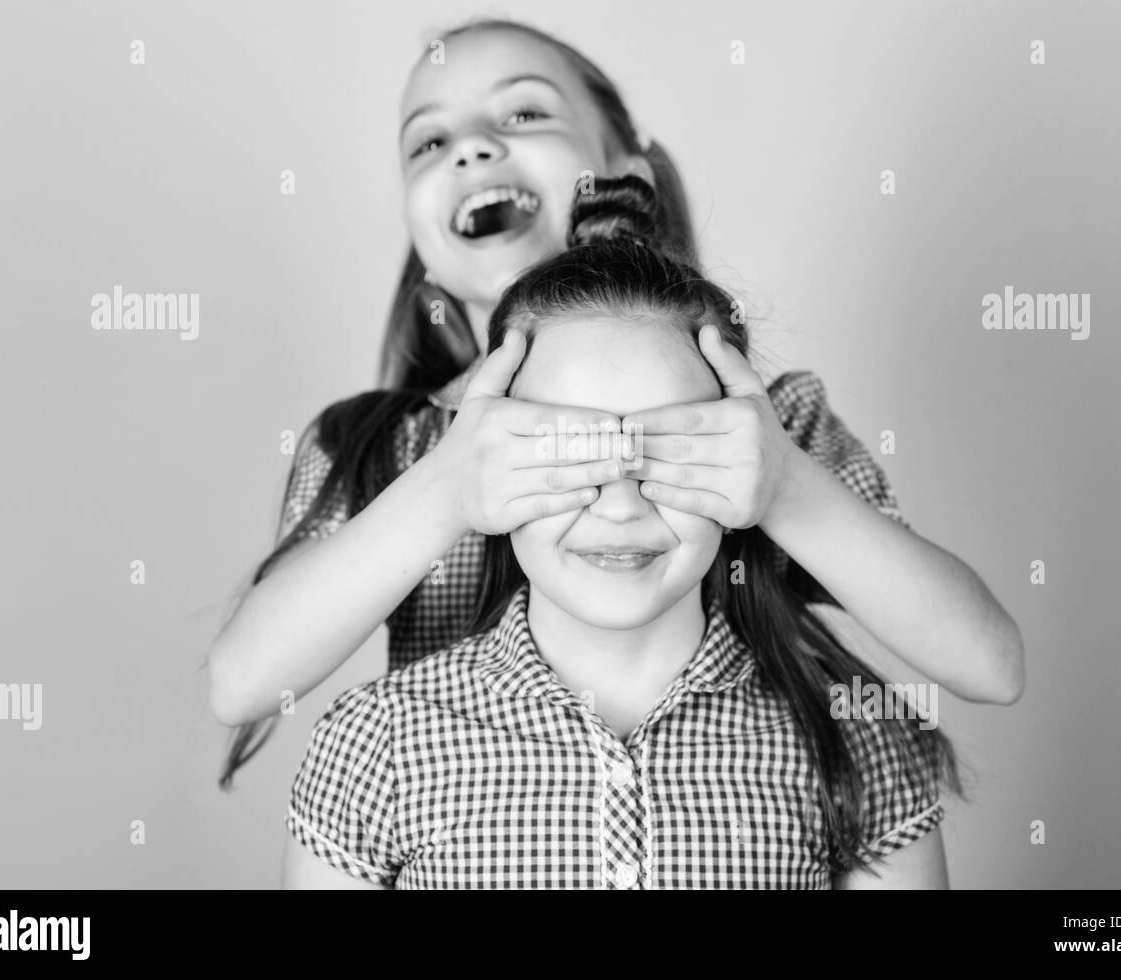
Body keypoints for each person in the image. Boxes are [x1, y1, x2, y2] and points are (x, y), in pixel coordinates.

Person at [209, 19, 1023, 789]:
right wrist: (445, 490)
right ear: (421, 250)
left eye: (524, 110)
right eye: (430, 141)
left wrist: (784, 486)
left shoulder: (766, 427)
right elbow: (241, 684)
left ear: (629, 179)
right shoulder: (379, 445)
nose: (472, 149)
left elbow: (988, 664)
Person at [283, 177, 963, 888]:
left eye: (672, 447)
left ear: (748, 461)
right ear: (485, 461)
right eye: (564, 449)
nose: (619, 504)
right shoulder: (373, 744)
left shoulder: (863, 741)